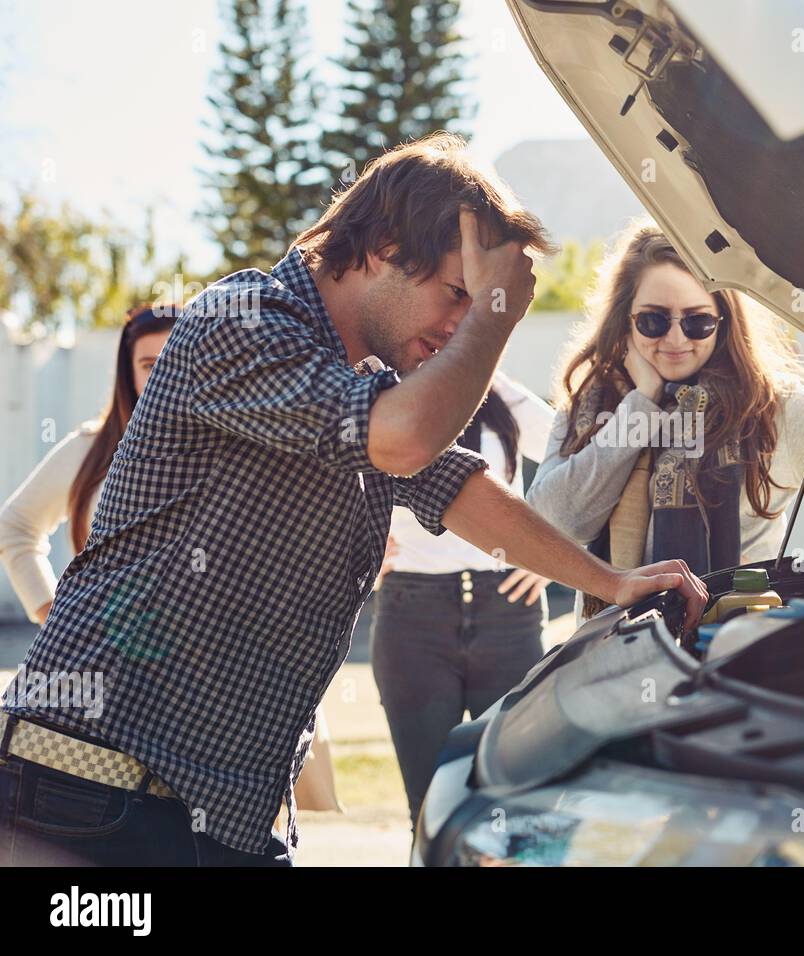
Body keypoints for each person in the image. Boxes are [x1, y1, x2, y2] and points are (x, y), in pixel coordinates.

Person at [0, 133, 706, 867]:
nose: (462, 323)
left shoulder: (363, 383)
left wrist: (612, 583)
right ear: (382, 248)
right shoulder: (240, 319)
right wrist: (496, 317)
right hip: (87, 802)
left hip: (222, 823)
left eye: (475, 304)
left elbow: (455, 486)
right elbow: (404, 441)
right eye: (455, 293)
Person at [0, 305, 345, 820]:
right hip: (112, 667)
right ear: (127, 372)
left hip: (227, 665)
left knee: (235, 823)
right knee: (113, 813)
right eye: (147, 364)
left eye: (172, 359)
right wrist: (49, 607)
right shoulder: (91, 449)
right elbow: (15, 528)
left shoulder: (244, 440)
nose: (162, 374)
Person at [527, 222, 804, 620]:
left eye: (697, 321)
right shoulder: (592, 403)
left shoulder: (775, 408)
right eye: (654, 320)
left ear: (724, 322)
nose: (676, 339)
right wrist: (642, 402)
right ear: (625, 318)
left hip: (731, 652)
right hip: (609, 658)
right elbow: (551, 527)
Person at [371, 370, 554, 831]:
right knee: (431, 808)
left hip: (507, 612)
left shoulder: (499, 395)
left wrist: (553, 551)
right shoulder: (383, 393)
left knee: (516, 804)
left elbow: (567, 446)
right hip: (413, 613)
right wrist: (354, 549)